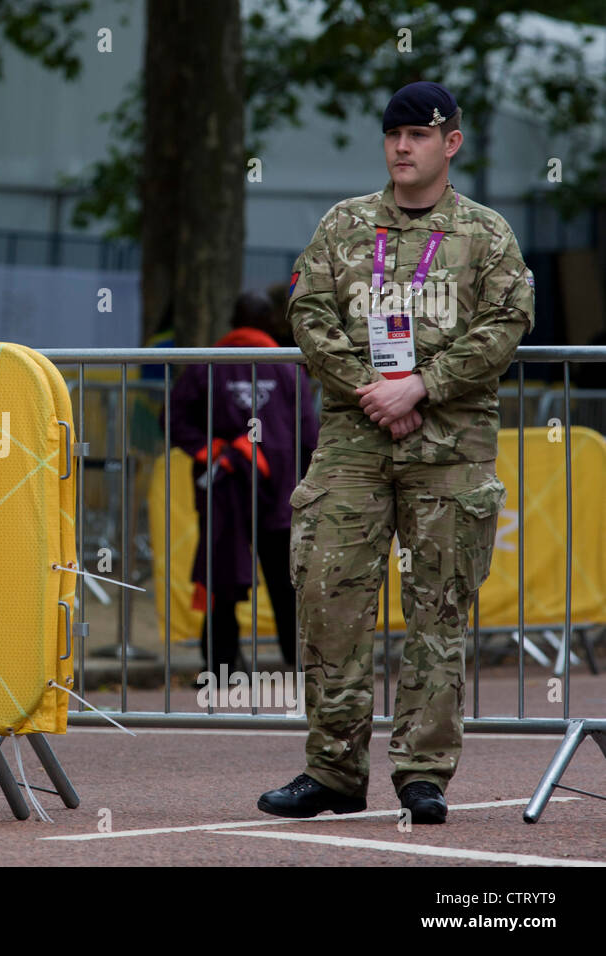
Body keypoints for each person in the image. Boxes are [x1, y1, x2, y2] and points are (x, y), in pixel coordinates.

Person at [257, 81, 534, 824]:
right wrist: (369, 388)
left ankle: (422, 772)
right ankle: (333, 771)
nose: (403, 147)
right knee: (326, 597)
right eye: (393, 135)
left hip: (449, 449)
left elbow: (508, 322)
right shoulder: (344, 225)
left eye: (419, 134)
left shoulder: (486, 234)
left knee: (438, 609)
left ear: (452, 143)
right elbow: (308, 310)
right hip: (352, 443)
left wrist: (422, 387)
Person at [166, 291, 319, 675]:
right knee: (287, 583)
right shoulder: (288, 369)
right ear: (269, 321)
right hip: (280, 492)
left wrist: (209, 451)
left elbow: (172, 420)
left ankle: (219, 665)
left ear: (233, 321)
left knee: (222, 577)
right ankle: (300, 665)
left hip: (222, 491)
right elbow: (310, 436)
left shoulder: (205, 366)